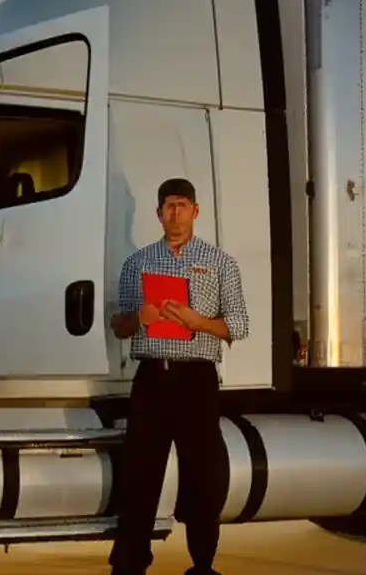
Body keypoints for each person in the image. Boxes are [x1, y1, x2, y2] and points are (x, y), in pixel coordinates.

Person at [107, 177, 249, 575]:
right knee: (139, 476)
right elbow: (118, 326)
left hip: (196, 382)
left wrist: (197, 321)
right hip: (152, 379)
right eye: (168, 206)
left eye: (182, 205)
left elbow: (238, 324)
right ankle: (130, 564)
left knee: (203, 477)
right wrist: (139, 318)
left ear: (196, 211)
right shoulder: (138, 264)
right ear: (158, 213)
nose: (175, 213)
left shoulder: (221, 263)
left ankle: (202, 565)